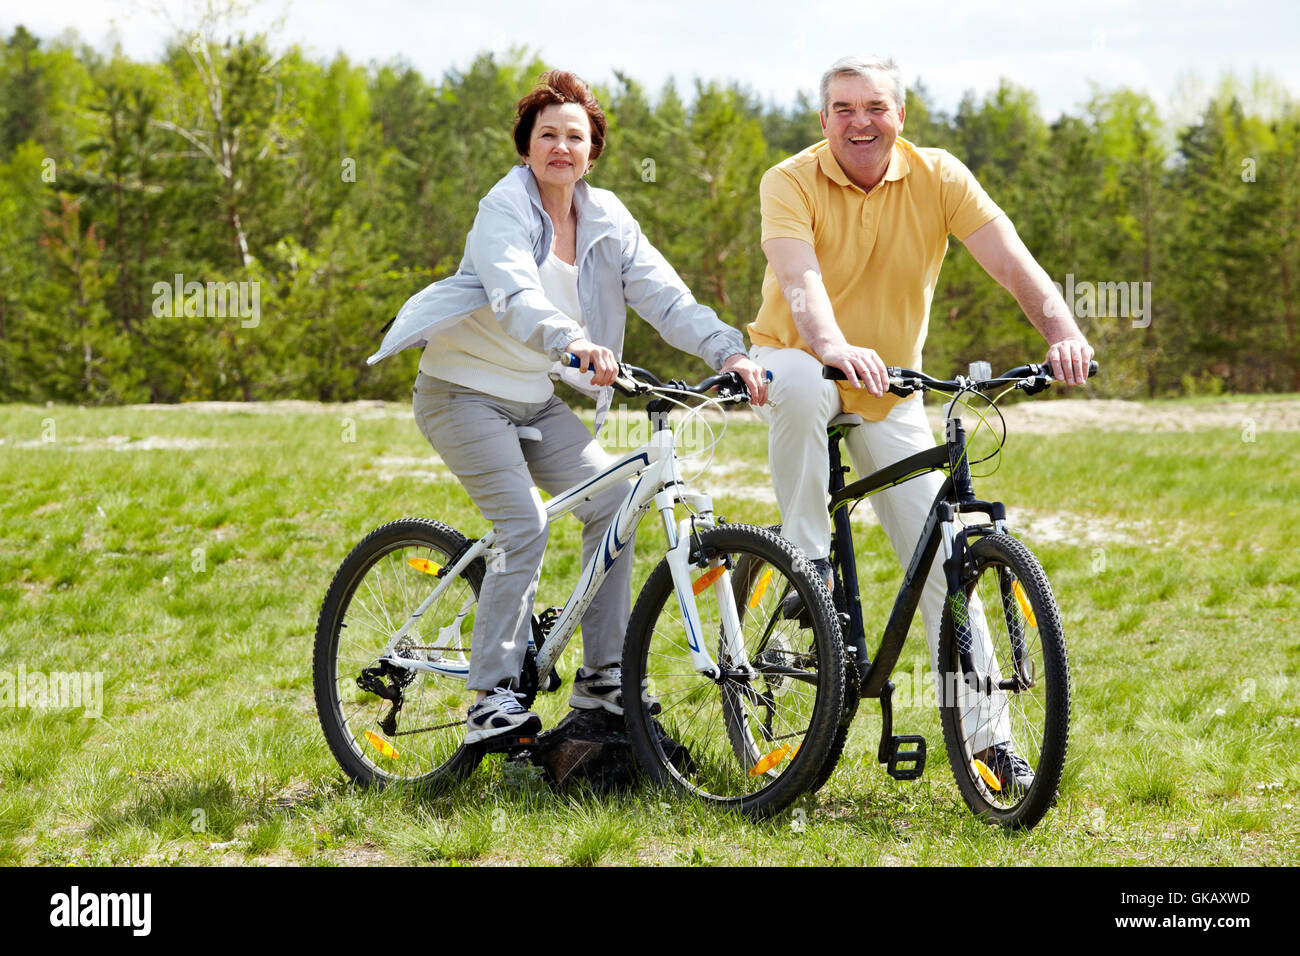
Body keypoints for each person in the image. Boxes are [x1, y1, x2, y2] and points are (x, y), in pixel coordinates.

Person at [368, 70, 767, 744]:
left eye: (574, 137)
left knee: (614, 499)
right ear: (526, 146)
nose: (560, 146)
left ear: (592, 152)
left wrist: (728, 351)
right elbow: (515, 296)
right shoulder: (503, 208)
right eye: (546, 134)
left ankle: (604, 680)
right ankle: (491, 699)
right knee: (523, 523)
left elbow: (667, 299)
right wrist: (575, 341)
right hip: (460, 393)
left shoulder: (607, 217)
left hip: (532, 399)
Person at [748, 55, 1094, 791]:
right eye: (843, 109)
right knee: (807, 382)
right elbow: (800, 281)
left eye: (875, 107)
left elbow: (1010, 261)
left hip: (891, 387)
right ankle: (805, 565)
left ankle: (990, 745)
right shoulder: (789, 180)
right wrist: (834, 346)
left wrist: (1061, 330)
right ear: (824, 120)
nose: (859, 122)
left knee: (949, 561)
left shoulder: (939, 176)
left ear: (900, 115)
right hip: (796, 360)